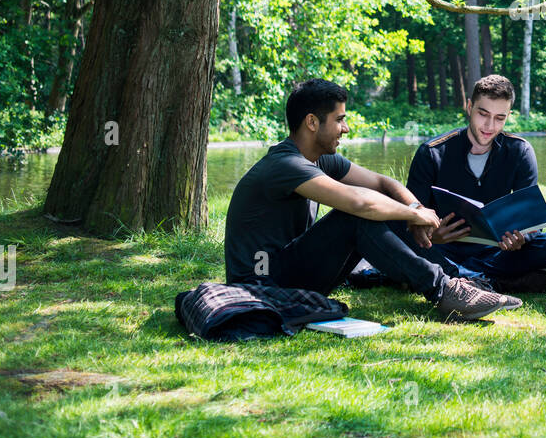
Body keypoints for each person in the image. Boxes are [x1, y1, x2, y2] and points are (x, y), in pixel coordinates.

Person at [222, 78, 520, 321]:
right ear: (312, 123)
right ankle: (444, 289)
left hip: (290, 273)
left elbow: (383, 182)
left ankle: (454, 281)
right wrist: (414, 217)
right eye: (339, 120)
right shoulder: (285, 165)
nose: (346, 128)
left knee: (385, 209)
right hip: (262, 282)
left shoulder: (319, 159)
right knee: (355, 217)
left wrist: (415, 208)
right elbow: (359, 204)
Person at [403, 74, 546, 295]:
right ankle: (493, 283)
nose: (489, 126)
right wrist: (431, 236)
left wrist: (521, 238)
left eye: (500, 118)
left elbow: (532, 221)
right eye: (483, 114)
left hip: (495, 251)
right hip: (442, 246)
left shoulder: (520, 151)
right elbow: (409, 218)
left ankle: (459, 278)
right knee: (405, 248)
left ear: (509, 116)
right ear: (469, 107)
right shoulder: (432, 152)